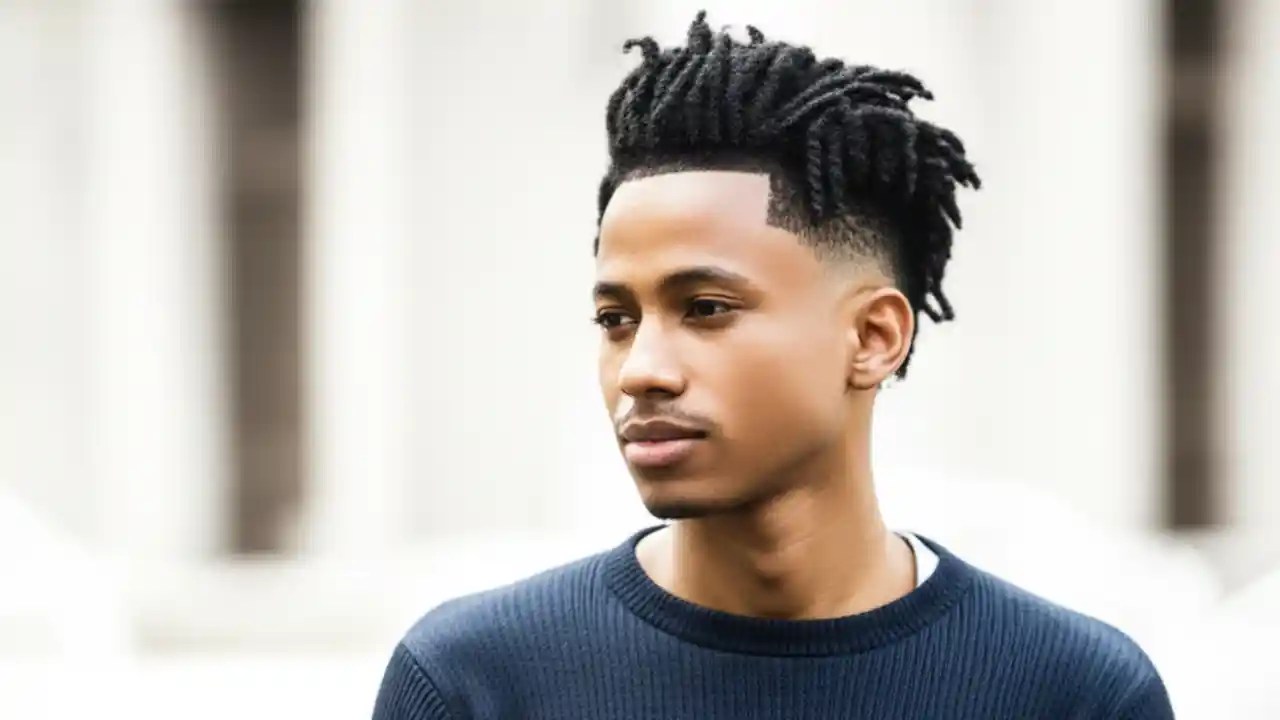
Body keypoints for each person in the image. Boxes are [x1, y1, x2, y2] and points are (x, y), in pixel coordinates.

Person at [374, 12, 1173, 719]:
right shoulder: (473, 685)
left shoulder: (1074, 693)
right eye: (616, 320)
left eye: (707, 309)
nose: (641, 370)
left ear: (873, 338)